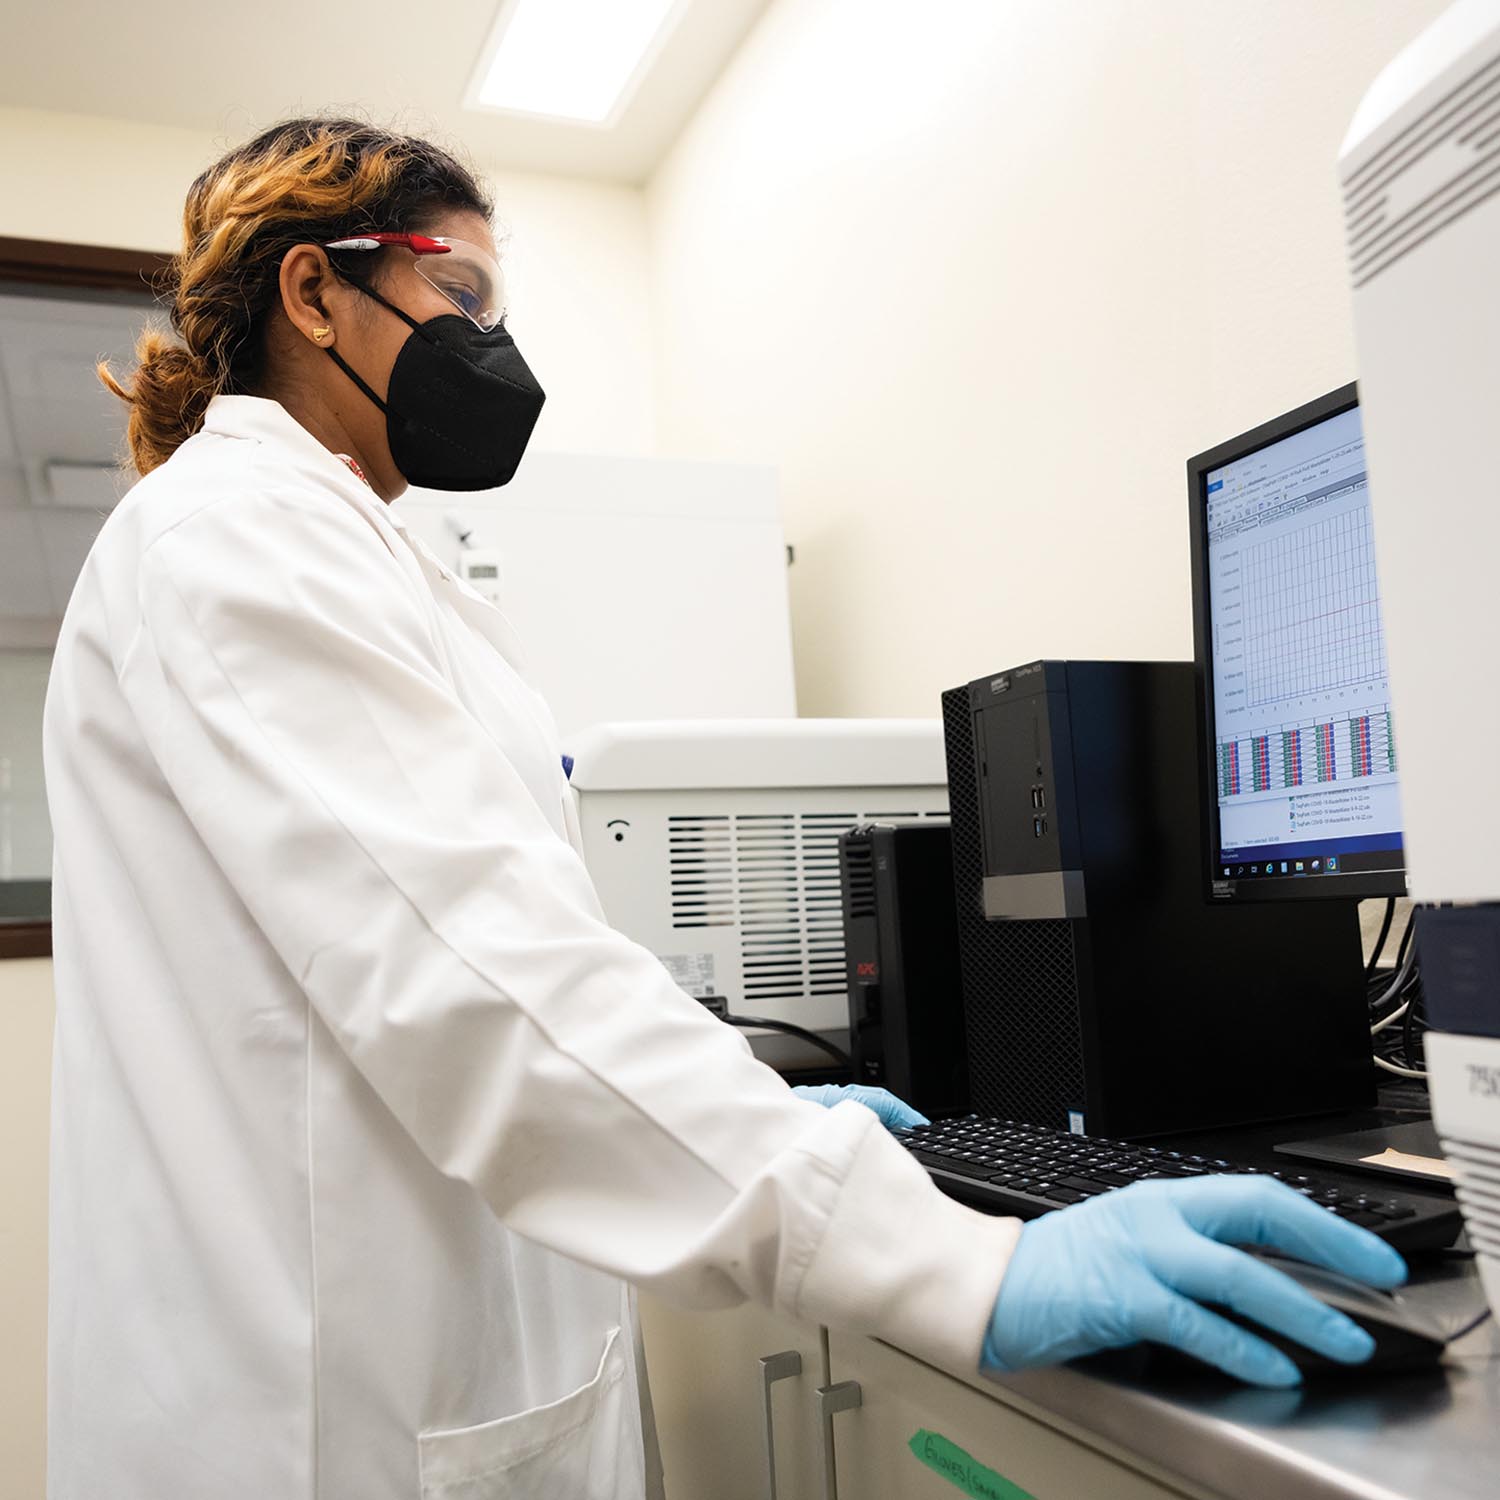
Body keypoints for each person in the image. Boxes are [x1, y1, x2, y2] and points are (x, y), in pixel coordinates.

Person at [46, 118, 1406, 1500]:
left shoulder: (351, 554)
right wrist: (950, 1257)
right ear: (313, 290)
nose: (492, 354)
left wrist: (770, 1112)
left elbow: (501, 940)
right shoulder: (236, 542)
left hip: (433, 1366)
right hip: (320, 1418)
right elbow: (471, 976)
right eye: (460, 300)